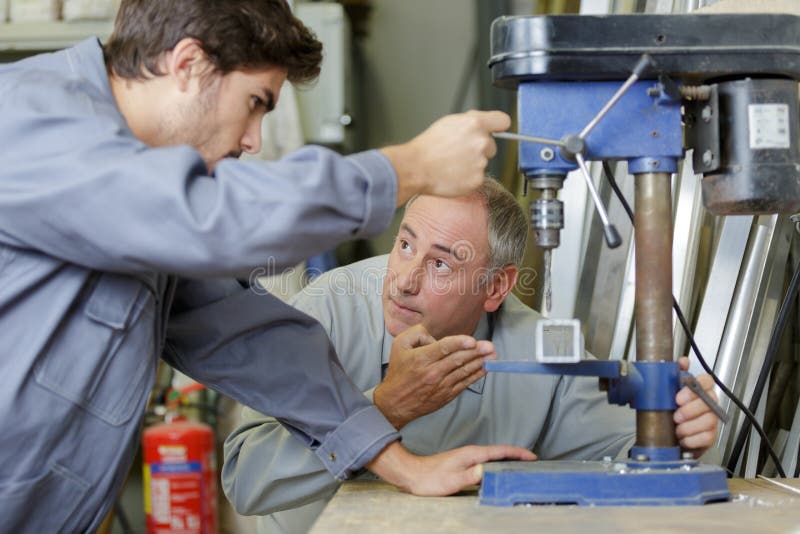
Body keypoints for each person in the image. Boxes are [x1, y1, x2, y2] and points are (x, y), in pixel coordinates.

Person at [0, 1, 535, 532]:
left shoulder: (145, 201)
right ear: (187, 65)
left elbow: (251, 342)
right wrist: (412, 167)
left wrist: (401, 465)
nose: (253, 140)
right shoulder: (30, 121)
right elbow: (216, 217)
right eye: (255, 102)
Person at [222, 179, 720, 534]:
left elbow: (628, 448)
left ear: (496, 286)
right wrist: (384, 407)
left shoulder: (532, 352)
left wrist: (677, 429)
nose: (404, 279)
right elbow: (245, 481)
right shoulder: (326, 313)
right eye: (404, 244)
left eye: (440, 262)